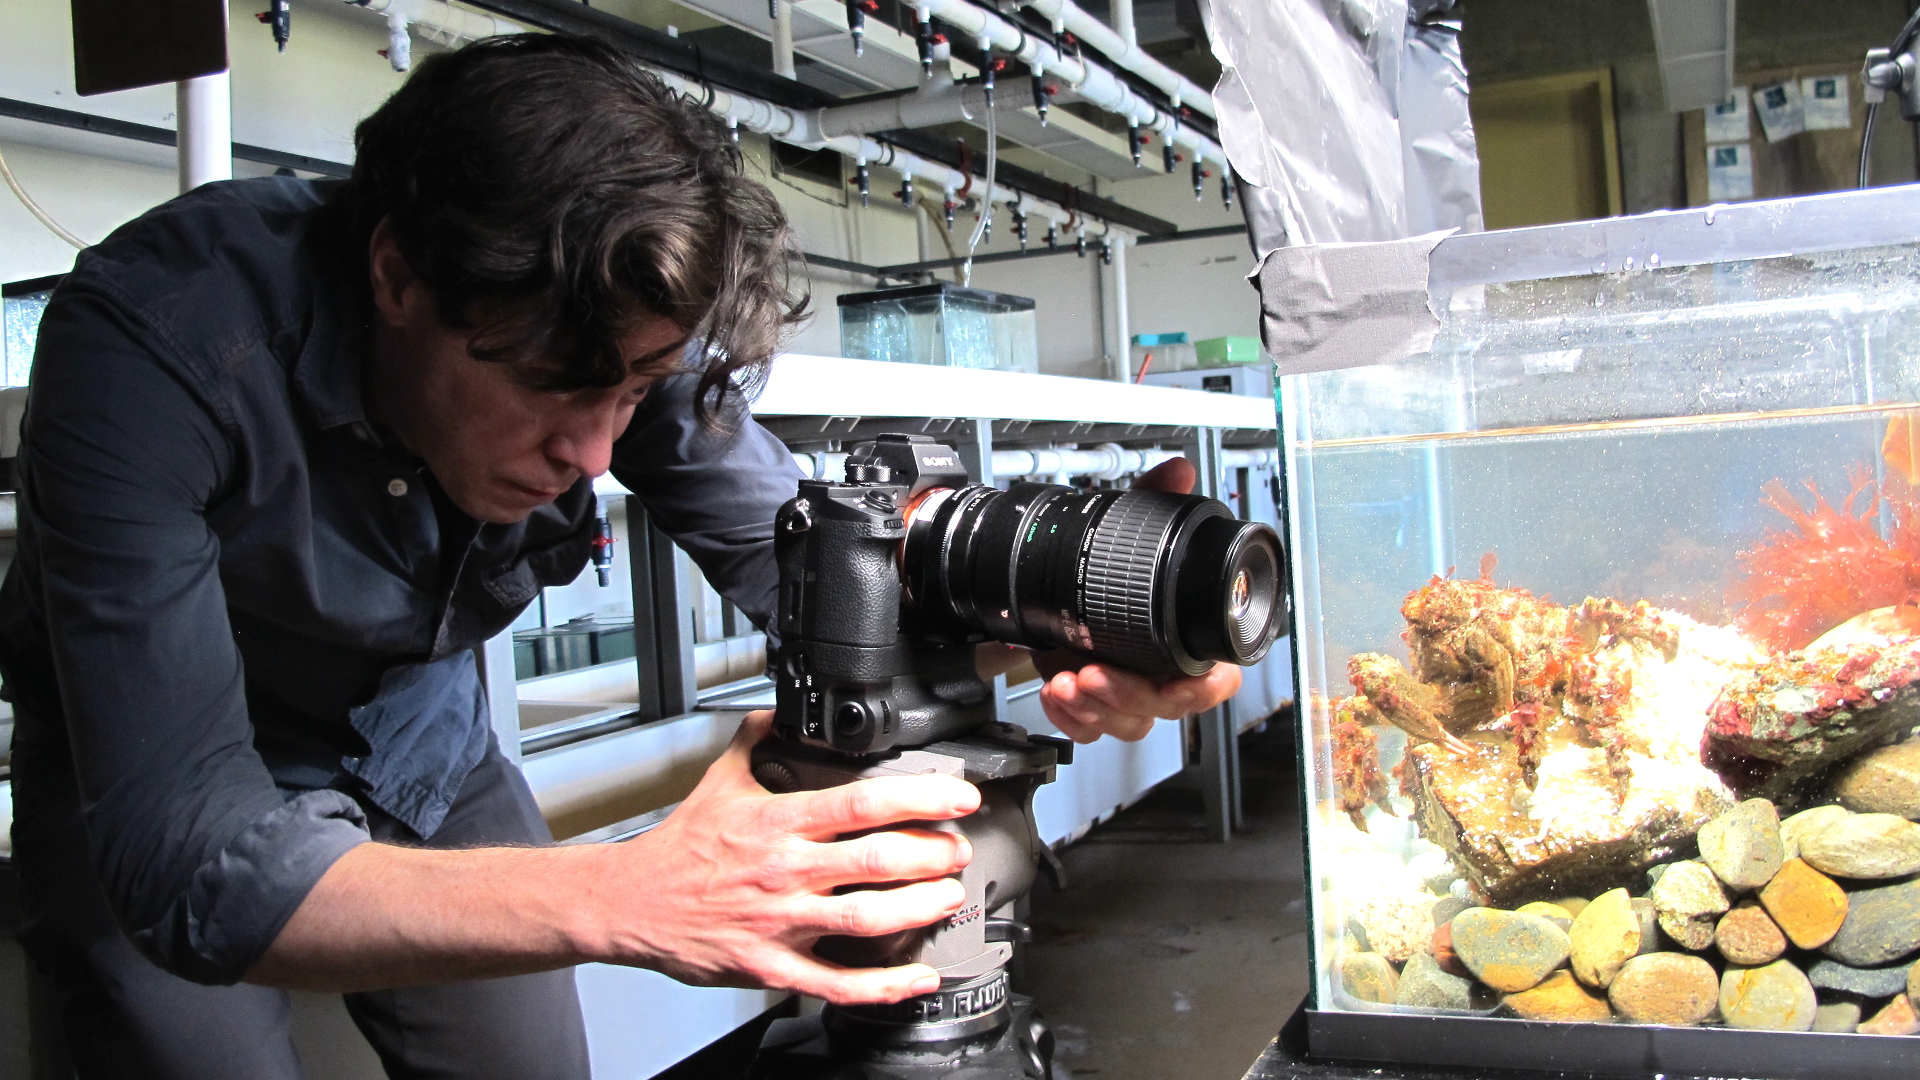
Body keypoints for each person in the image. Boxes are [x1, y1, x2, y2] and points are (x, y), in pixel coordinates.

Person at [0, 34, 1241, 1080]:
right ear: (396, 277)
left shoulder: (610, 310)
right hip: (153, 753)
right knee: (183, 1042)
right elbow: (188, 862)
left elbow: (815, 567)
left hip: (414, 737)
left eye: (634, 393)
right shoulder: (154, 349)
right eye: (557, 388)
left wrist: (1090, 616)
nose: (595, 452)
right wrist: (634, 893)